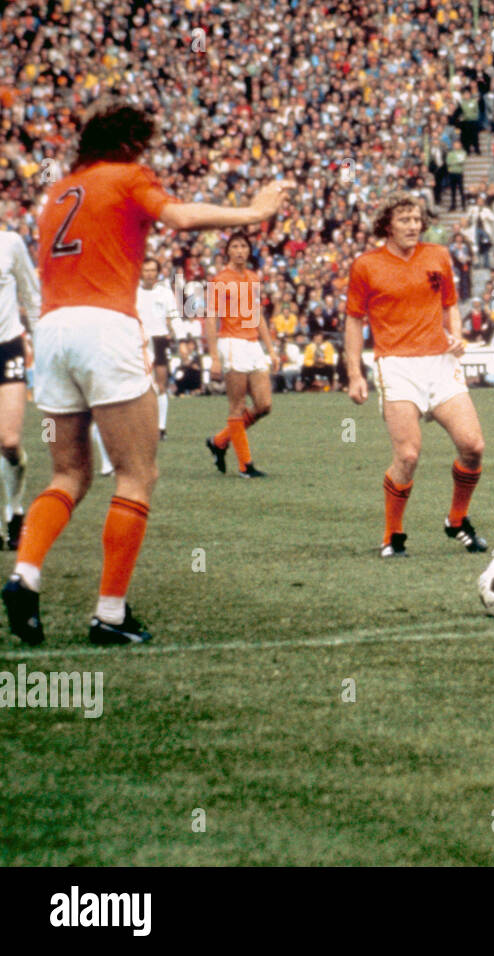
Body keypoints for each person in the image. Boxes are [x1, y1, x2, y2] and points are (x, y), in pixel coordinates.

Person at [5, 99, 292, 646]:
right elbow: (181, 217)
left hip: (53, 328)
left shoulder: (57, 193)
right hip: (104, 325)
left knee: (68, 473)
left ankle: (26, 574)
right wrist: (254, 212)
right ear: (131, 143)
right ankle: (109, 614)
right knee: (138, 473)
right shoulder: (128, 176)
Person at [345, 192, 488, 558]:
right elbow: (353, 320)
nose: (413, 226)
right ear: (387, 225)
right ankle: (393, 535)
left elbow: (450, 303)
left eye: (416, 219)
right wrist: (354, 373)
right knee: (408, 456)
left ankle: (457, 520)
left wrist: (456, 335)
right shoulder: (366, 265)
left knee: (473, 446)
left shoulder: (437, 256)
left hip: (440, 363)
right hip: (396, 366)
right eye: (404, 219)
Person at [204, 233, 279, 479]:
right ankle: (245, 465)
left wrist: (271, 350)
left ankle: (219, 440)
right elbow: (211, 318)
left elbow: (257, 315)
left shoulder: (253, 277)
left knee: (264, 404)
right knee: (237, 406)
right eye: (235, 246)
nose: (239, 250)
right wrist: (214, 356)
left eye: (243, 246)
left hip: (253, 344)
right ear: (228, 251)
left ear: (249, 250)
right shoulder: (220, 280)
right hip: (231, 343)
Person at [0, 229, 40, 549]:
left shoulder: (10, 243)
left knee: (9, 440)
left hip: (8, 347)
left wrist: (44, 349)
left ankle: (14, 509)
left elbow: (32, 296)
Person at [138, 257, 179, 439]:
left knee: (161, 383)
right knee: (140, 385)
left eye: (152, 270)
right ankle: (140, 425)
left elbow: (172, 316)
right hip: (140, 342)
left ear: (157, 272)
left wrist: (174, 331)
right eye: (146, 270)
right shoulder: (134, 292)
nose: (149, 274)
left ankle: (161, 427)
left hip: (160, 339)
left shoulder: (165, 292)